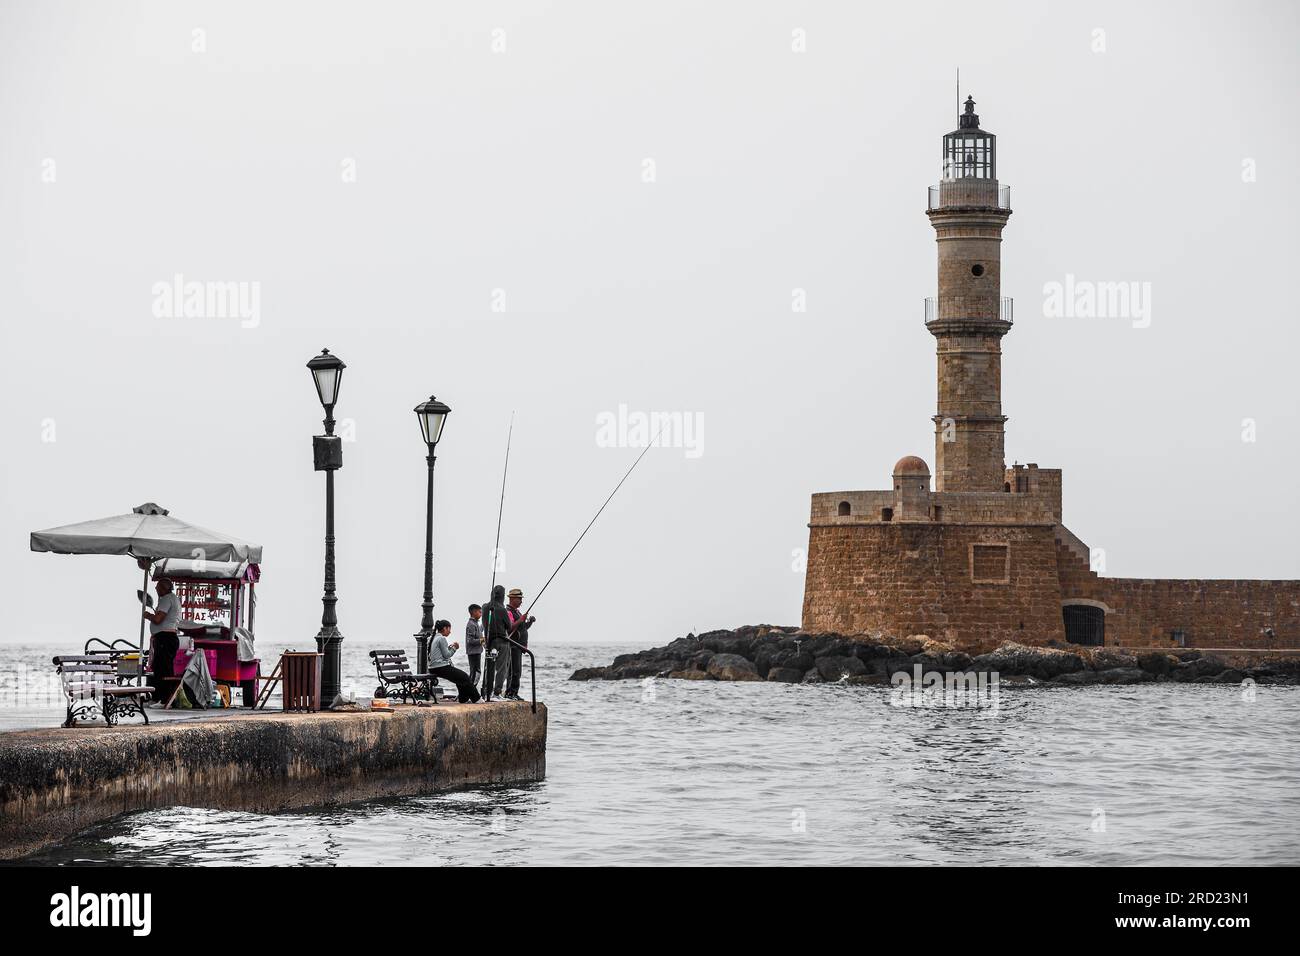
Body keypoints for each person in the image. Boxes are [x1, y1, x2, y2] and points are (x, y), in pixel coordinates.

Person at [143, 576, 182, 705]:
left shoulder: (166, 599)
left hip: (165, 638)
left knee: (161, 669)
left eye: (158, 586)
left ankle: (161, 698)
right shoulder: (174, 599)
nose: (156, 589)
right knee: (164, 668)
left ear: (164, 588)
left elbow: (158, 619)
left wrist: (148, 616)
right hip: (168, 638)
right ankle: (164, 697)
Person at [428, 620, 481, 703]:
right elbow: (447, 655)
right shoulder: (441, 638)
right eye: (449, 629)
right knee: (465, 677)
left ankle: (463, 699)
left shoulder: (434, 638)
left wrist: (449, 648)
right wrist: (454, 648)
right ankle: (477, 699)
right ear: (445, 628)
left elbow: (441, 654)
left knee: (460, 679)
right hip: (440, 667)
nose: (450, 631)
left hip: (434, 668)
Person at [504, 587, 536, 701]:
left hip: (519, 646)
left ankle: (512, 692)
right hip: (513, 645)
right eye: (519, 599)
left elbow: (523, 628)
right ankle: (511, 693)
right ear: (512, 599)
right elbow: (510, 627)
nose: (521, 601)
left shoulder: (517, 612)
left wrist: (529, 622)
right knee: (514, 671)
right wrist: (521, 619)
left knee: (516, 671)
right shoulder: (508, 611)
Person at [482, 584, 512, 699]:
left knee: (488, 667)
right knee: (502, 668)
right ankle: (497, 693)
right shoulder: (502, 609)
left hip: (489, 641)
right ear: (503, 596)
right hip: (502, 641)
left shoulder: (485, 607)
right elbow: (509, 626)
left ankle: (485, 691)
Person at [465, 604, 484, 685]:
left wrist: (486, 623)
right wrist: (482, 640)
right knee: (475, 673)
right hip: (473, 653)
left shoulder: (475, 623)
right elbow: (470, 640)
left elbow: (480, 629)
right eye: (480, 612)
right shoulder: (471, 624)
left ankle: (471, 692)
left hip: (477, 652)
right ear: (474, 612)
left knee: (476, 672)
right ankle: (471, 692)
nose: (481, 614)